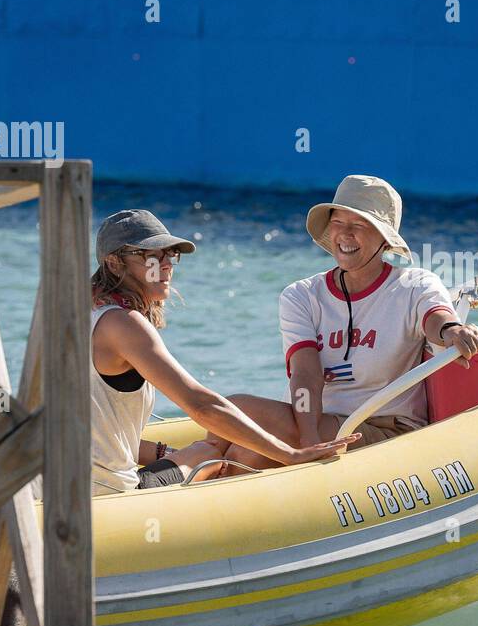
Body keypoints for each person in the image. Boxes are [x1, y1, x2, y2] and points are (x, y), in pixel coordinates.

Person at [206, 175, 478, 470]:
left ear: (384, 238)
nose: (345, 234)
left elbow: (437, 318)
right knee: (239, 441)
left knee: (238, 414)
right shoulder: (301, 295)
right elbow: (305, 375)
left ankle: (181, 471)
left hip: (385, 429)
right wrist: (310, 438)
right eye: (338, 222)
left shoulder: (414, 285)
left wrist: (453, 331)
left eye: (360, 225)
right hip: (315, 421)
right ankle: (182, 476)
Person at [89, 209, 355, 494]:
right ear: (115, 264)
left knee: (200, 450)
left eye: (170, 254)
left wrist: (166, 453)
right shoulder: (124, 324)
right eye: (152, 255)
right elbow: (201, 405)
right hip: (108, 495)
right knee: (208, 455)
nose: (166, 265)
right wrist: (289, 454)